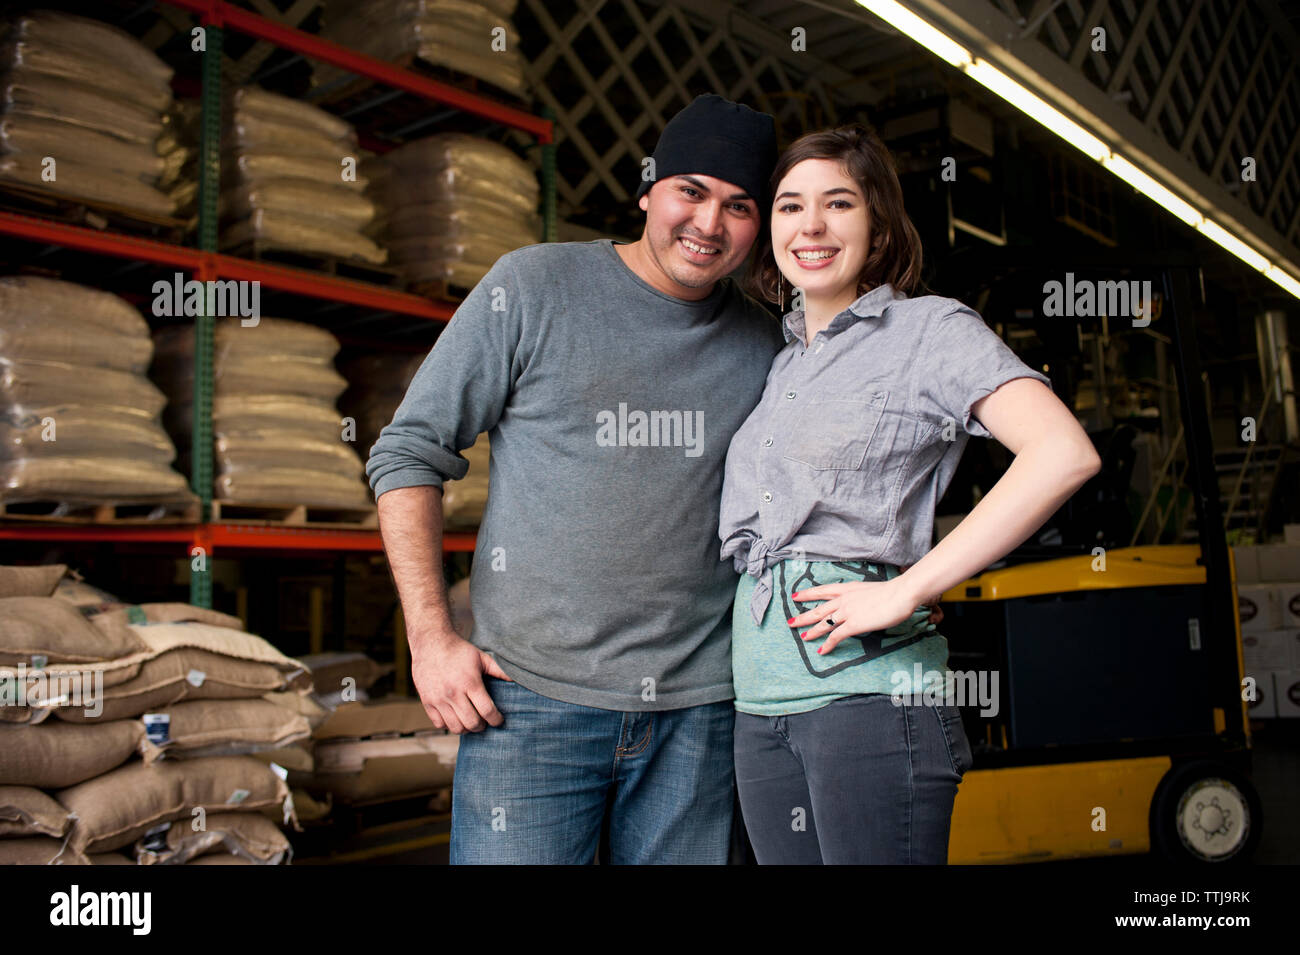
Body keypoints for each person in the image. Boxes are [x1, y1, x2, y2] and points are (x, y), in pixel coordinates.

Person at [366, 94, 784, 864]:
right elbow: (408, 451)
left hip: (698, 718)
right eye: (691, 191)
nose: (708, 223)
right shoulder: (530, 288)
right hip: (527, 706)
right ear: (649, 189)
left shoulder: (767, 346)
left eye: (739, 205)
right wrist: (429, 640)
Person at [719, 124, 1102, 864]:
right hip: (761, 708)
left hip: (869, 698)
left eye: (839, 204)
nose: (813, 226)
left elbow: (1062, 452)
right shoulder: (782, 364)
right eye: (791, 206)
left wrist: (908, 589)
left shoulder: (928, 330)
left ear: (879, 223)